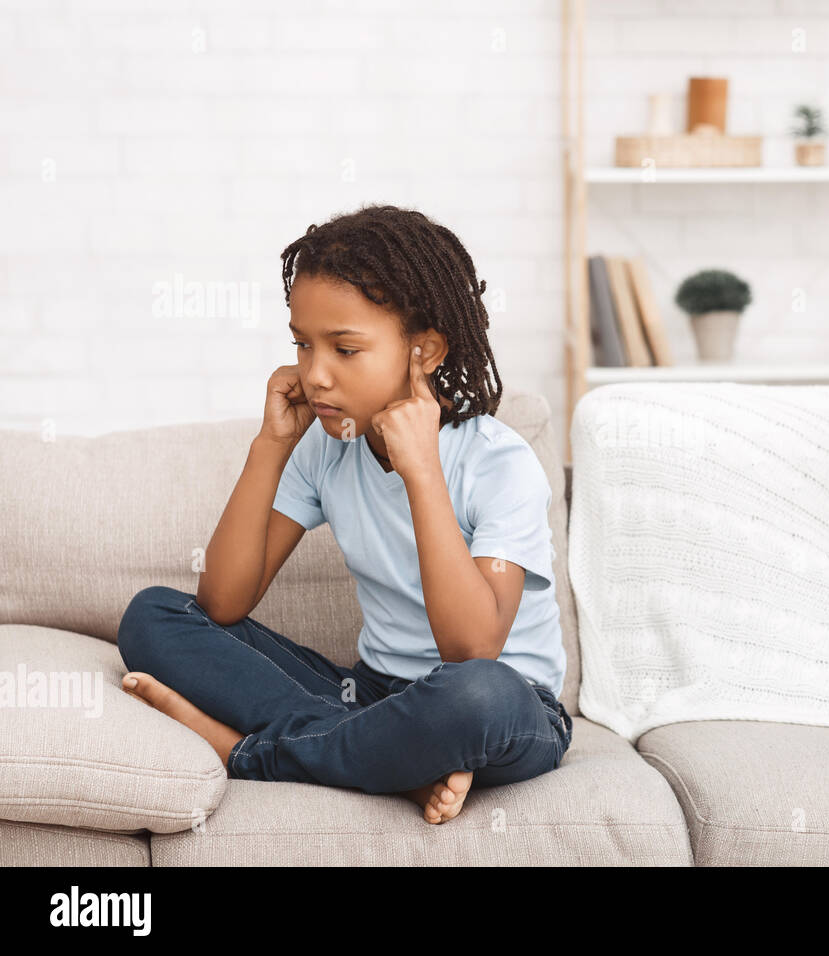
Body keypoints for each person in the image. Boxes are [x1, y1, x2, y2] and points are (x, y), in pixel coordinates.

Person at [117, 204, 571, 825]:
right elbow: (223, 603)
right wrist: (270, 445)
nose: (315, 374)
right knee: (154, 615)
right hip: (369, 696)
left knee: (476, 697)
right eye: (303, 344)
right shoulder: (325, 447)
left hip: (506, 708)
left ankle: (251, 754)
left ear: (425, 351)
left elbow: (472, 649)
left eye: (345, 349)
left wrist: (423, 473)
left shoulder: (499, 464)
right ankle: (387, 761)